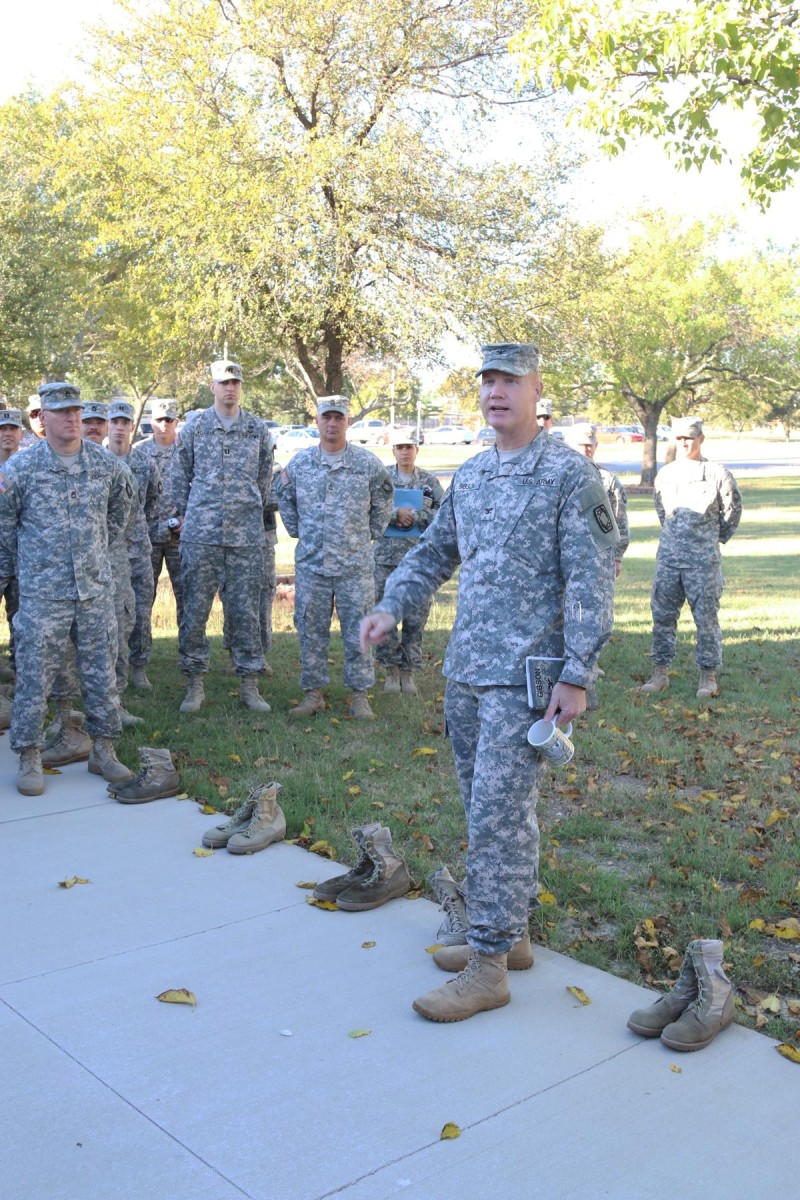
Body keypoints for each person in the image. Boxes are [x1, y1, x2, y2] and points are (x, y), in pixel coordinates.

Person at [360, 343, 617, 1022]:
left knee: (499, 819)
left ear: (538, 390)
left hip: (526, 682)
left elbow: (593, 579)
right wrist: (392, 605)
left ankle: (488, 965)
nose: (496, 392)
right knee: (485, 809)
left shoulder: (569, 476)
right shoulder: (472, 476)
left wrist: (579, 674)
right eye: (488, 382)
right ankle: (513, 933)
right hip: (468, 671)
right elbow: (434, 553)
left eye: (511, 381)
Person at [0, 382, 134, 796]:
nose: (73, 418)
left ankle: (104, 750)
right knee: (34, 680)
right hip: (44, 594)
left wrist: (94, 552)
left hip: (93, 591)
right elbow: (4, 530)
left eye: (76, 410)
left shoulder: (106, 465)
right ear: (41, 419)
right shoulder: (20, 469)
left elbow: (120, 513)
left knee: (101, 676)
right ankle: (29, 756)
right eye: (61, 411)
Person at [276, 395, 393, 720]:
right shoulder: (300, 464)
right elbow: (284, 497)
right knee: (311, 630)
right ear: (317, 421)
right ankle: (313, 693)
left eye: (338, 418)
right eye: (326, 417)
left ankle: (360, 696)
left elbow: (384, 504)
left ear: (347, 422)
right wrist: (301, 531)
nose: (332, 423)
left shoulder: (367, 464)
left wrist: (366, 535)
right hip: (312, 565)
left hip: (354, 566)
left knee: (359, 632)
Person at [170, 360, 274, 714]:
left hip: (245, 536)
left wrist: (246, 508)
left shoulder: (257, 429)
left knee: (246, 611)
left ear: (241, 387)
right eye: (223, 382)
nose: (230, 388)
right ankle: (194, 682)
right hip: (201, 534)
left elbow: (264, 479)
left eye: (236, 382)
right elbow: (178, 473)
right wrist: (185, 515)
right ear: (212, 386)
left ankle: (249, 683)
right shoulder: (196, 427)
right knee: (195, 610)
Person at [640, 416, 742, 699]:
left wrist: (712, 538)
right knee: (662, 618)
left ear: (701, 438)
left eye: (690, 437)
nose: (685, 442)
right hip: (669, 561)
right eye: (680, 438)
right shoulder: (666, 474)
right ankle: (660, 673)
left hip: (702, 563)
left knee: (706, 620)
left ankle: (708, 677)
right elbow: (662, 511)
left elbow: (732, 510)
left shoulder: (717, 473)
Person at [373, 430, 444, 695]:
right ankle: (391, 671)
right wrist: (394, 514)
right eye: (400, 447)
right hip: (385, 559)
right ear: (393, 451)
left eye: (409, 447)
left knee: (415, 619)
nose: (405, 452)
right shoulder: (382, 479)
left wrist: (417, 514)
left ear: (417, 451)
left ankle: (408, 671)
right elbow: (370, 508)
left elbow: (445, 512)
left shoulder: (427, 481)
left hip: (418, 561)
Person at [107, 400, 159, 695]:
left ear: (132, 427)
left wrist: (136, 526)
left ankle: (138, 668)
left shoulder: (144, 463)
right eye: (115, 422)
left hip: (138, 548)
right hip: (108, 550)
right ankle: (112, 670)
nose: (119, 427)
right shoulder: (99, 461)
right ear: (108, 425)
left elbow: (152, 503)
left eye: (125, 423)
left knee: (141, 610)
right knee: (111, 613)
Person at [133, 398, 184, 652]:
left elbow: (200, 489)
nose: (164, 425)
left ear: (176, 421)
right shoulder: (139, 452)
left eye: (169, 420)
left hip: (180, 537)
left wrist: (187, 518)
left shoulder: (187, 450)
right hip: (148, 537)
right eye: (159, 420)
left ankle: (189, 654)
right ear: (151, 422)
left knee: (186, 597)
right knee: (142, 598)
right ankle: (139, 655)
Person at [568, 423, 629, 577]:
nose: (585, 449)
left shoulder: (608, 480)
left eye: (589, 445)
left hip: (598, 558)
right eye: (581, 445)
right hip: (566, 555)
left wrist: (617, 557)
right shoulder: (560, 478)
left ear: (596, 445)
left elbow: (619, 519)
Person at [0, 409, 24, 682]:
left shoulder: (28, 467)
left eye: (12, 428)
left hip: (21, 555)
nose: (7, 434)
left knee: (20, 615)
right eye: (1, 429)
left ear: (21, 433)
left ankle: (20, 669)